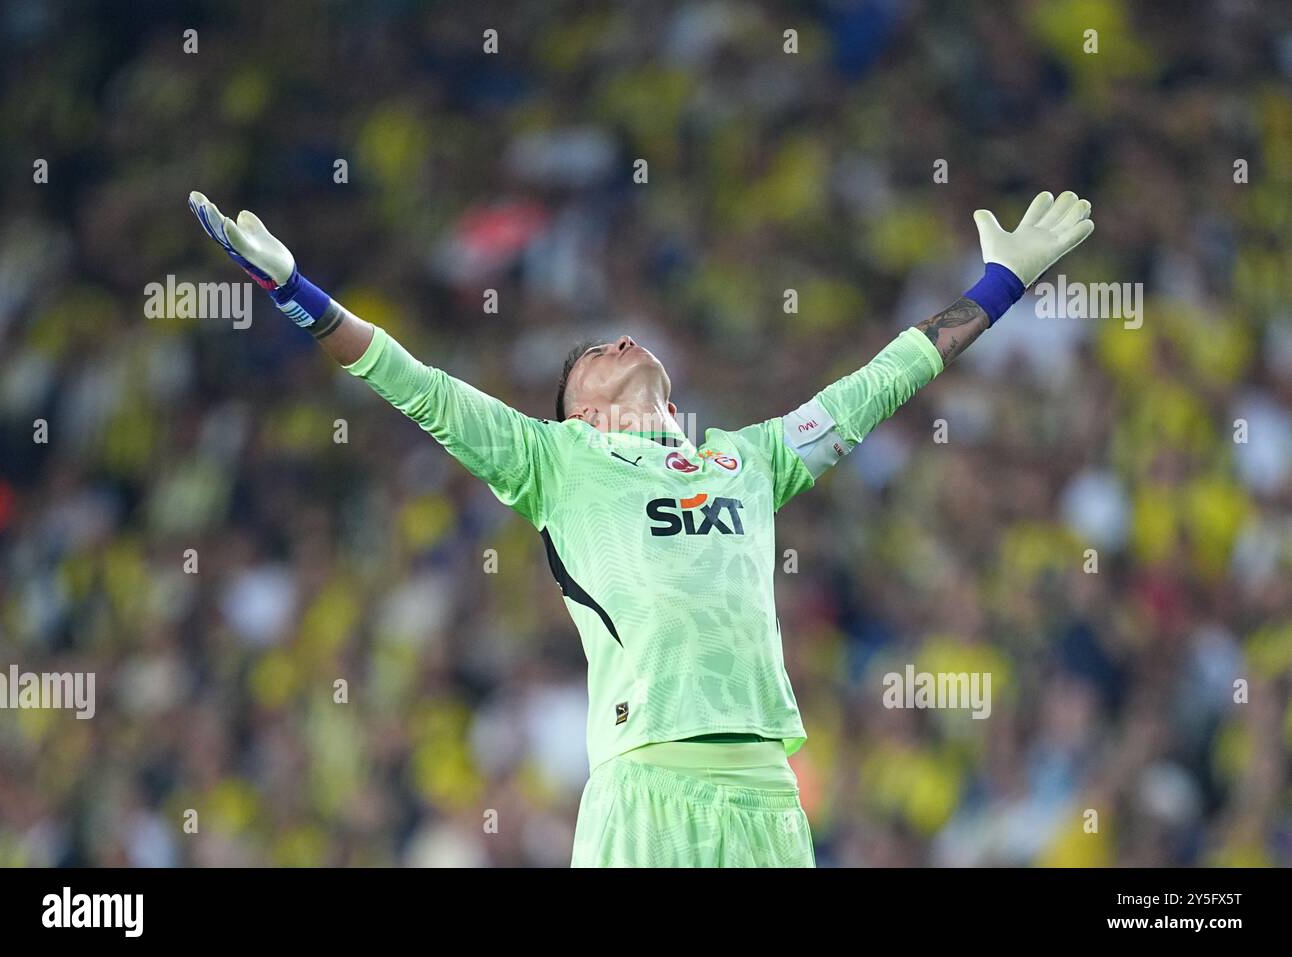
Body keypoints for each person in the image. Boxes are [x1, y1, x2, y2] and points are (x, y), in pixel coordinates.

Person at [188, 188, 1094, 867]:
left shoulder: (750, 458)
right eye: (593, 353)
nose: (617, 341)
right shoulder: (554, 461)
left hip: (768, 796)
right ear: (577, 411)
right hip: (646, 786)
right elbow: (415, 385)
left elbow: (879, 384)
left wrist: (1001, 282)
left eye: (618, 338)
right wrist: (296, 291)